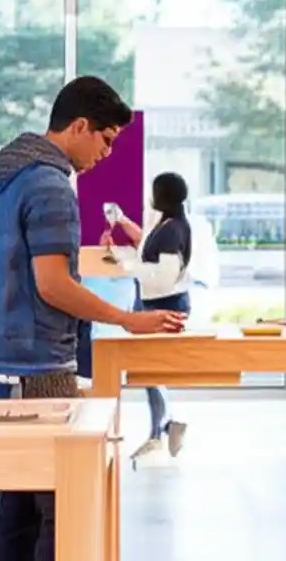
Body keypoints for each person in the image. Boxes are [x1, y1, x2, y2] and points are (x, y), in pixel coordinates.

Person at [0, 75, 185, 561]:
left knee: (17, 502)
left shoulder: (8, 172)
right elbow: (53, 284)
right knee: (59, 502)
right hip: (37, 364)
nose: (107, 153)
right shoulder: (51, 184)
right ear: (81, 126)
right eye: (106, 139)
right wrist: (127, 320)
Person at [103, 172, 195, 461]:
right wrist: (120, 238)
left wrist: (126, 266)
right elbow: (146, 249)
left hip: (164, 304)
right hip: (152, 303)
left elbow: (162, 276)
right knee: (149, 371)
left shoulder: (172, 229)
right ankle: (163, 427)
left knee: (150, 369)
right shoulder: (166, 224)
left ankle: (162, 428)